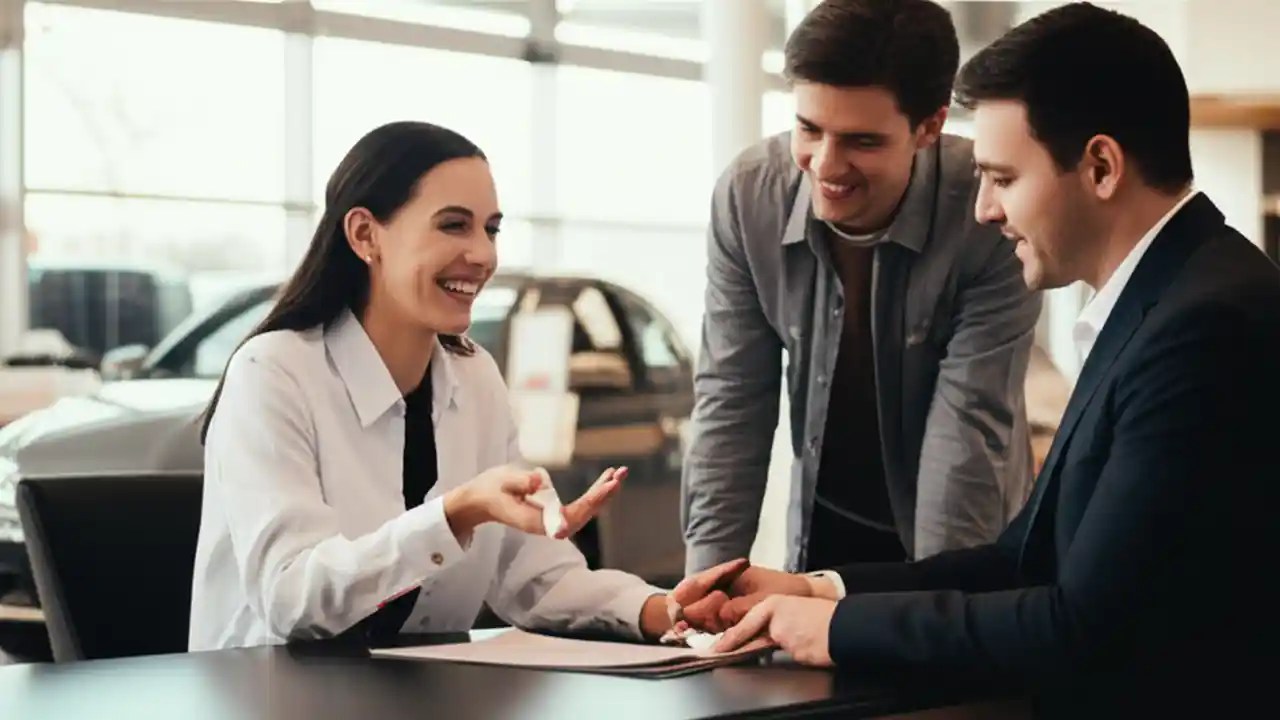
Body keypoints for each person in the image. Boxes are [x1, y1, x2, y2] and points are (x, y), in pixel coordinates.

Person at [673, 3, 1280, 714]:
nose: (986, 210)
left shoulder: (1203, 328)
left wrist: (836, 628)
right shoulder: (1168, 301)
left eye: (1004, 178)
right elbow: (1025, 560)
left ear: (1101, 167)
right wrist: (817, 590)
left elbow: (1082, 625)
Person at [189, 122, 674, 651]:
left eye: (490, 229)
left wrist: (665, 610)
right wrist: (456, 513)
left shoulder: (475, 376)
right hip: (275, 697)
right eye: (453, 226)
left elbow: (535, 578)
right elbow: (294, 599)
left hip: (424, 695)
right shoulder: (273, 373)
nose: (484, 254)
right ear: (364, 235)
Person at [682, 0, 1041, 577]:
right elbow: (732, 398)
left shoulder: (987, 212)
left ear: (929, 127)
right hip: (828, 528)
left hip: (962, 544)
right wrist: (706, 586)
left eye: (862, 142)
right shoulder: (750, 198)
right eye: (809, 129)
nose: (826, 164)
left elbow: (969, 432)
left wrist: (934, 619)